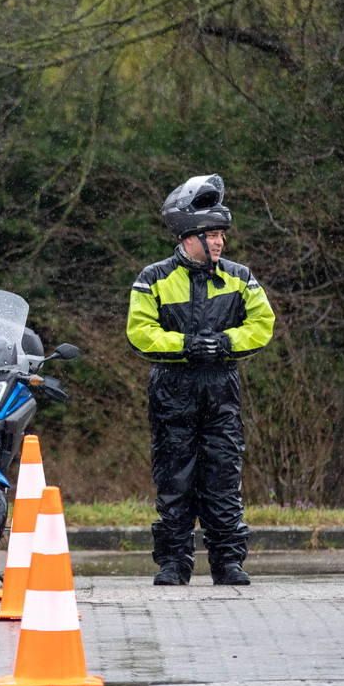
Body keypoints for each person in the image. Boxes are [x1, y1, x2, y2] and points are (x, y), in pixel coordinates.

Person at [125, 174, 275, 586]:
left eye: (221, 234)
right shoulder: (153, 277)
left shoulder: (239, 277)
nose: (219, 242)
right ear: (188, 237)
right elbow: (140, 332)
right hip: (172, 388)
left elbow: (262, 324)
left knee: (223, 477)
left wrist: (225, 342)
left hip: (221, 387)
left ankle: (228, 562)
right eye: (211, 235)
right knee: (174, 479)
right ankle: (174, 563)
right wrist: (186, 345)